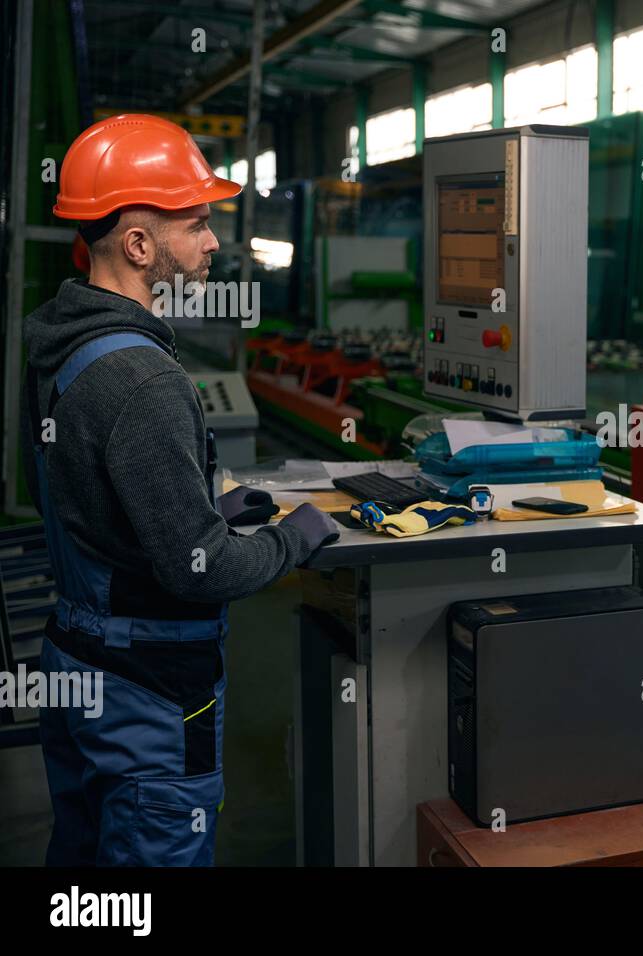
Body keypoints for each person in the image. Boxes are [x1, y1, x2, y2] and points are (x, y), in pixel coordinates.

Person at [20, 113, 339, 866]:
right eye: (195, 223)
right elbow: (204, 572)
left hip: (75, 663)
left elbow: (80, 495)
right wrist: (294, 536)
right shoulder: (145, 380)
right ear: (138, 245)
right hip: (148, 688)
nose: (212, 242)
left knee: (85, 869)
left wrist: (201, 510)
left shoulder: (55, 345)